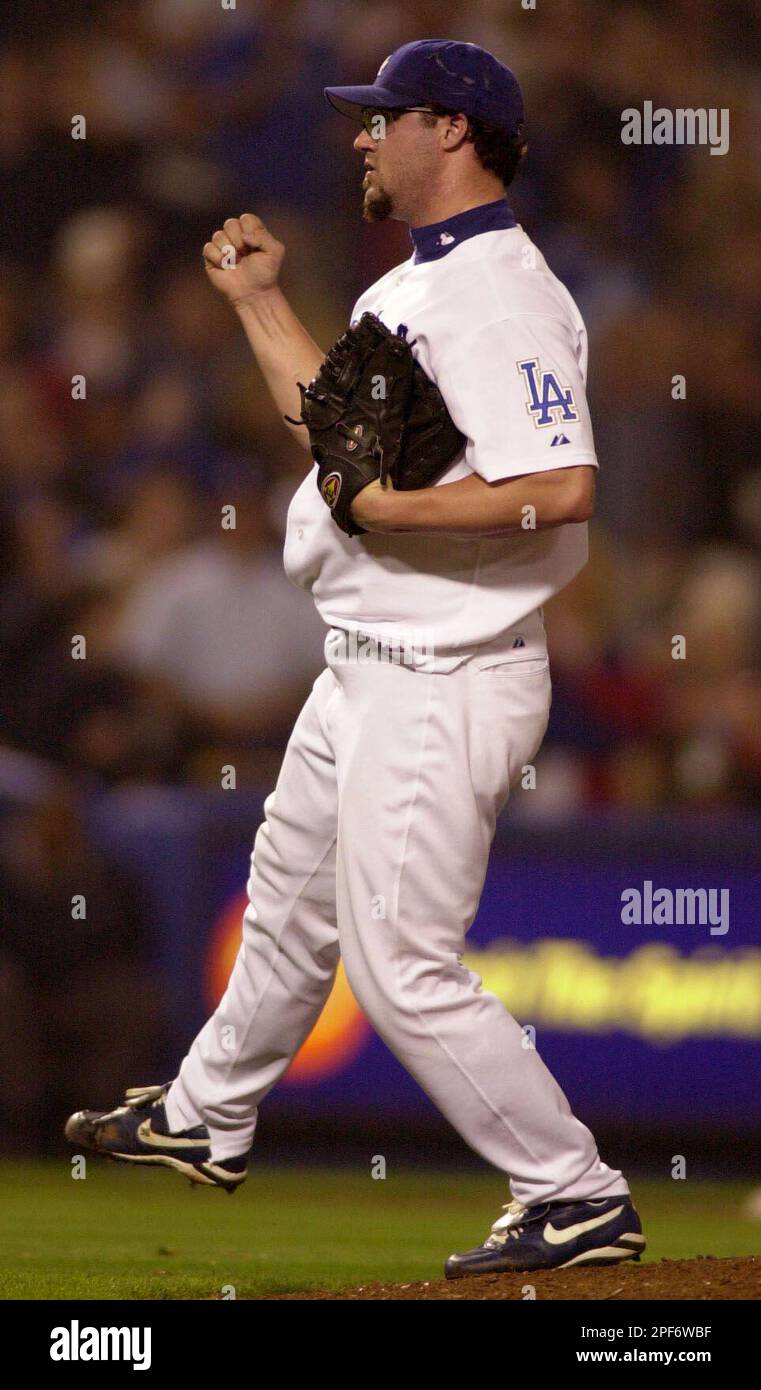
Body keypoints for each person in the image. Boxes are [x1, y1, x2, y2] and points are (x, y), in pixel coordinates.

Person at [66, 39, 645, 1279]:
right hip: (370, 660)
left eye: (383, 118)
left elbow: (559, 485)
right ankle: (205, 1113)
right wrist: (259, 305)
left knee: (399, 967)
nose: (360, 138)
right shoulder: (409, 287)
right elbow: (337, 434)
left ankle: (574, 1190)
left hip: (446, 671)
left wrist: (392, 513)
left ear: (451, 129)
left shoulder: (504, 292)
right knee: (283, 909)